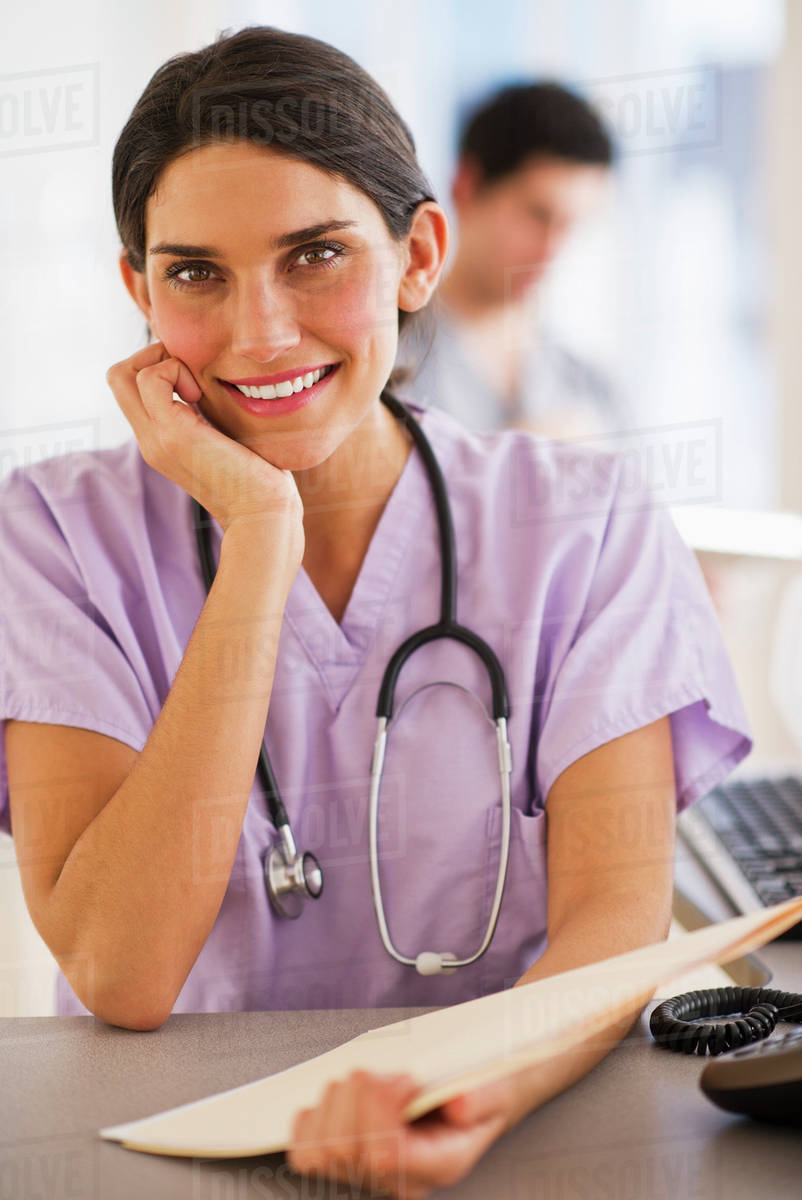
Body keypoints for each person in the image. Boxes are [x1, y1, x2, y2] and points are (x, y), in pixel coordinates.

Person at [0, 26, 750, 1198]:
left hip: (512, 1137)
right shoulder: (49, 536)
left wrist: (466, 1098)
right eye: (195, 272)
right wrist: (256, 538)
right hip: (161, 1154)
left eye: (315, 255)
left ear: (419, 254)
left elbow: (615, 921)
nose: (260, 332)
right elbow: (122, 971)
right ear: (140, 291)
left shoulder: (586, 520)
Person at [393, 81, 623, 438]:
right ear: (465, 188)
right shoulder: (386, 368)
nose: (553, 250)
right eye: (537, 215)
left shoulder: (591, 389)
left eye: (573, 225)